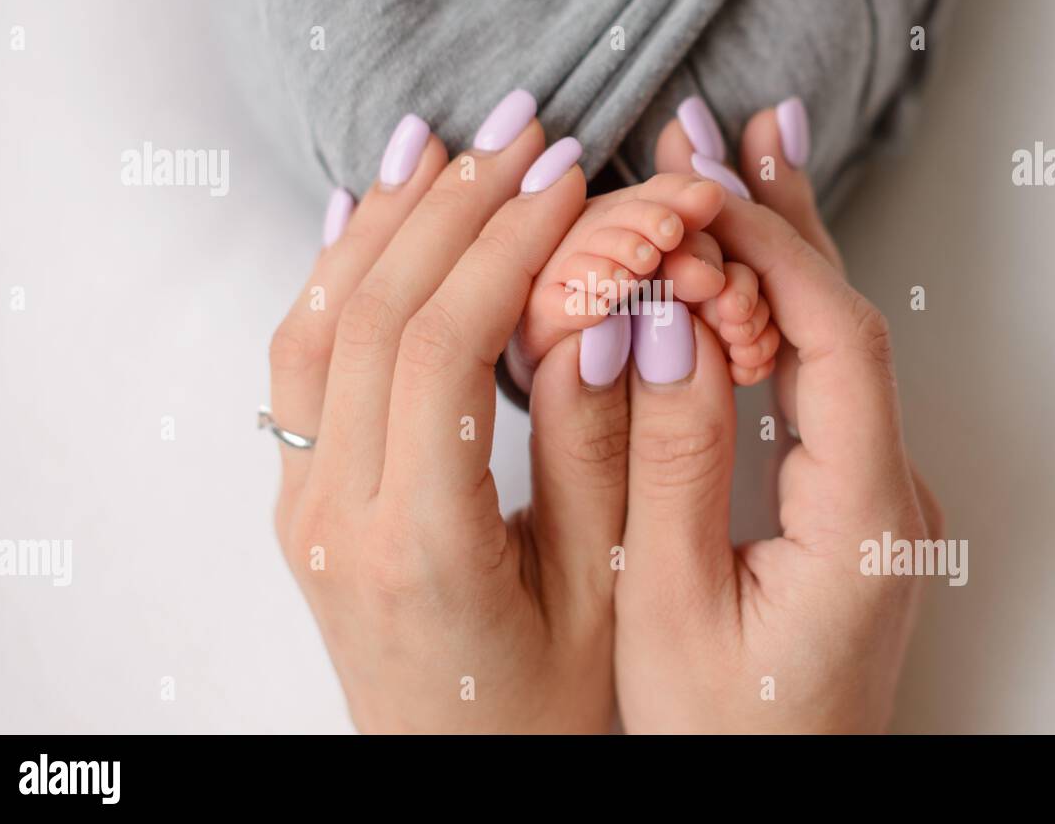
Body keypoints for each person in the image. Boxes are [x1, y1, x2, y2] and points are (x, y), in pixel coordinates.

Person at [263, 92, 941, 732]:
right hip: (717, 128)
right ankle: (556, 320)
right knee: (738, 155)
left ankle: (543, 332)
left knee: (373, 104)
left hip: (499, 171)